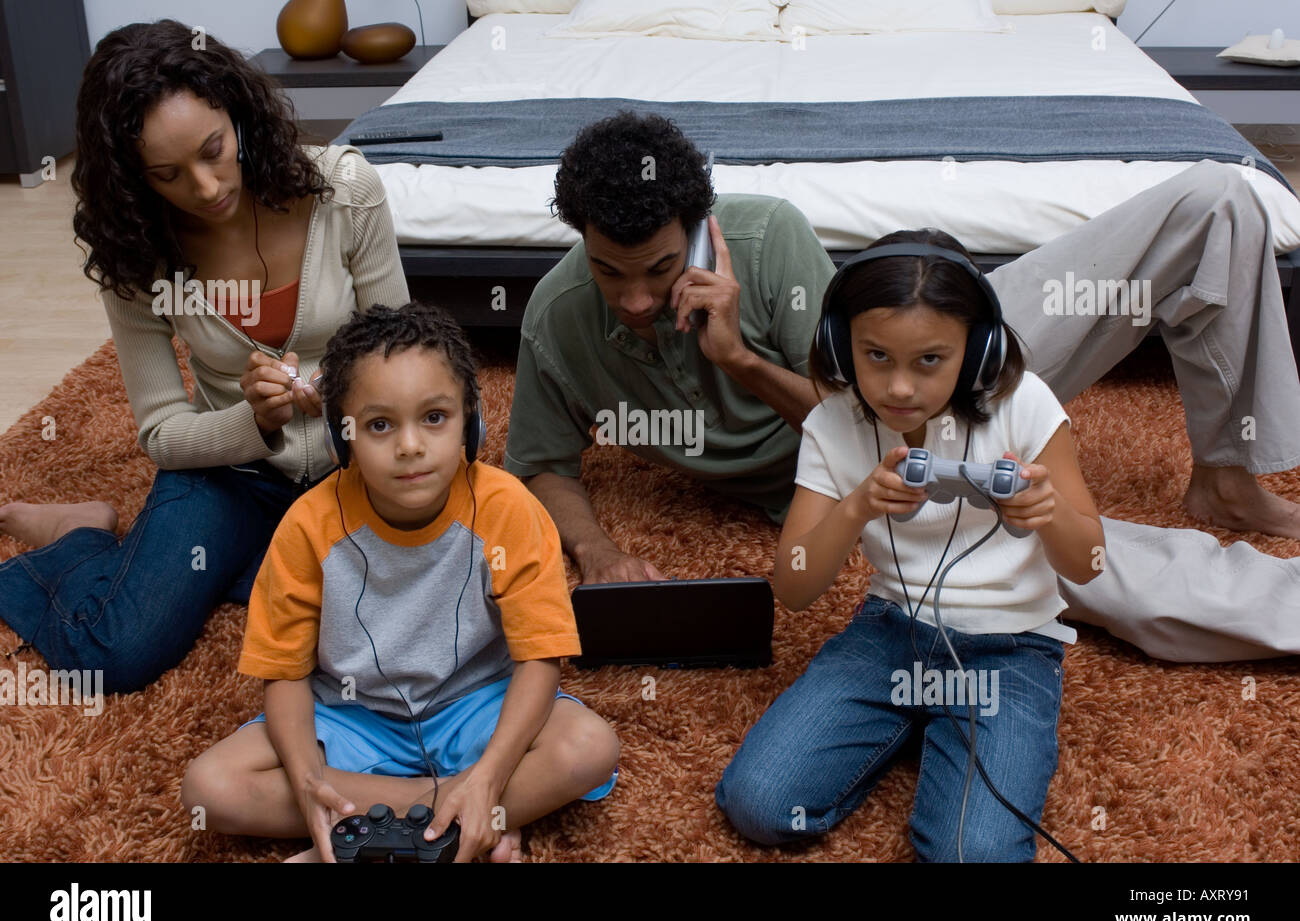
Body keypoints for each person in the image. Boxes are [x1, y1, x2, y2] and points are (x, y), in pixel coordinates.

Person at [505, 111, 1300, 661]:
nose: (637, 298)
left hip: (916, 359)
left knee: (1220, 200)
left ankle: (1228, 476)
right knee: (1062, 559)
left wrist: (742, 361)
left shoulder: (769, 238)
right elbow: (542, 461)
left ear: (702, 232)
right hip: (883, 481)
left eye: (660, 269)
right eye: (609, 271)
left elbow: (872, 402)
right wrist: (596, 549)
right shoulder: (557, 314)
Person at [0, 20, 409, 691]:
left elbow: (405, 349)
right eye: (168, 174)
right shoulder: (137, 251)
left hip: (355, 452)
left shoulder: (344, 190)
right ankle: (80, 538)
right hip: (230, 469)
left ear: (239, 116)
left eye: (214, 150)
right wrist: (256, 422)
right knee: (119, 654)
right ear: (135, 177)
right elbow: (162, 432)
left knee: (368, 621)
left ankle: (240, 562)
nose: (207, 185)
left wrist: (338, 391)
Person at [181, 302, 620, 863]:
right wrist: (311, 779)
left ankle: (379, 828)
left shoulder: (510, 507)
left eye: (434, 417)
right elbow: (284, 674)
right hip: (353, 715)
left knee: (590, 746)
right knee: (210, 787)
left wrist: (489, 772)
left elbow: (541, 658)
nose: (410, 446)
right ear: (344, 440)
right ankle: (458, 819)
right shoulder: (307, 527)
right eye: (379, 425)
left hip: (476, 706)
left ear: (470, 421)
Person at [715, 231, 1103, 860]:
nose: (898, 388)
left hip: (1010, 652)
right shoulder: (833, 423)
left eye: (930, 360)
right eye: (875, 357)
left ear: (977, 353)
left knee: (973, 856)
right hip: (891, 632)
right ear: (843, 346)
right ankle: (922, 723)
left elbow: (1088, 564)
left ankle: (932, 726)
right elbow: (793, 588)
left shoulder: (1022, 403)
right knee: (759, 804)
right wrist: (856, 506)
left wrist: (1047, 515)